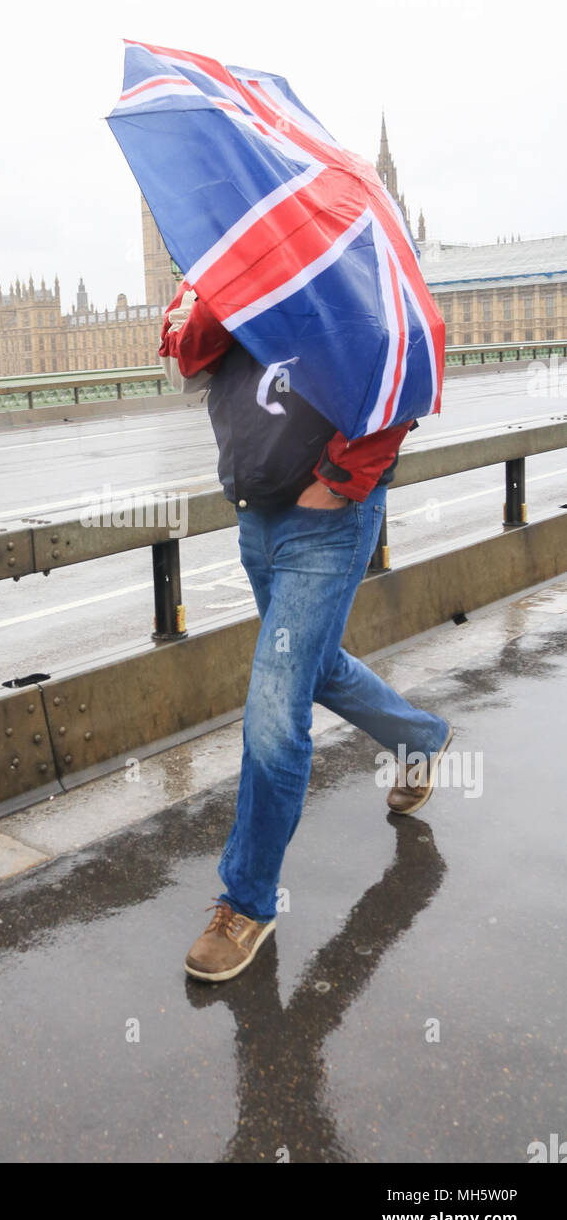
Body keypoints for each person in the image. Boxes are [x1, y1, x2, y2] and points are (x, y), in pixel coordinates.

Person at [160, 282, 453, 984]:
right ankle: (421, 739)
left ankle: (247, 902)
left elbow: (406, 371)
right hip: (256, 514)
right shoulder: (229, 258)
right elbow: (185, 360)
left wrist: (336, 481)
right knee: (314, 668)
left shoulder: (350, 268)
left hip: (327, 520)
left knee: (273, 708)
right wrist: (206, 300)